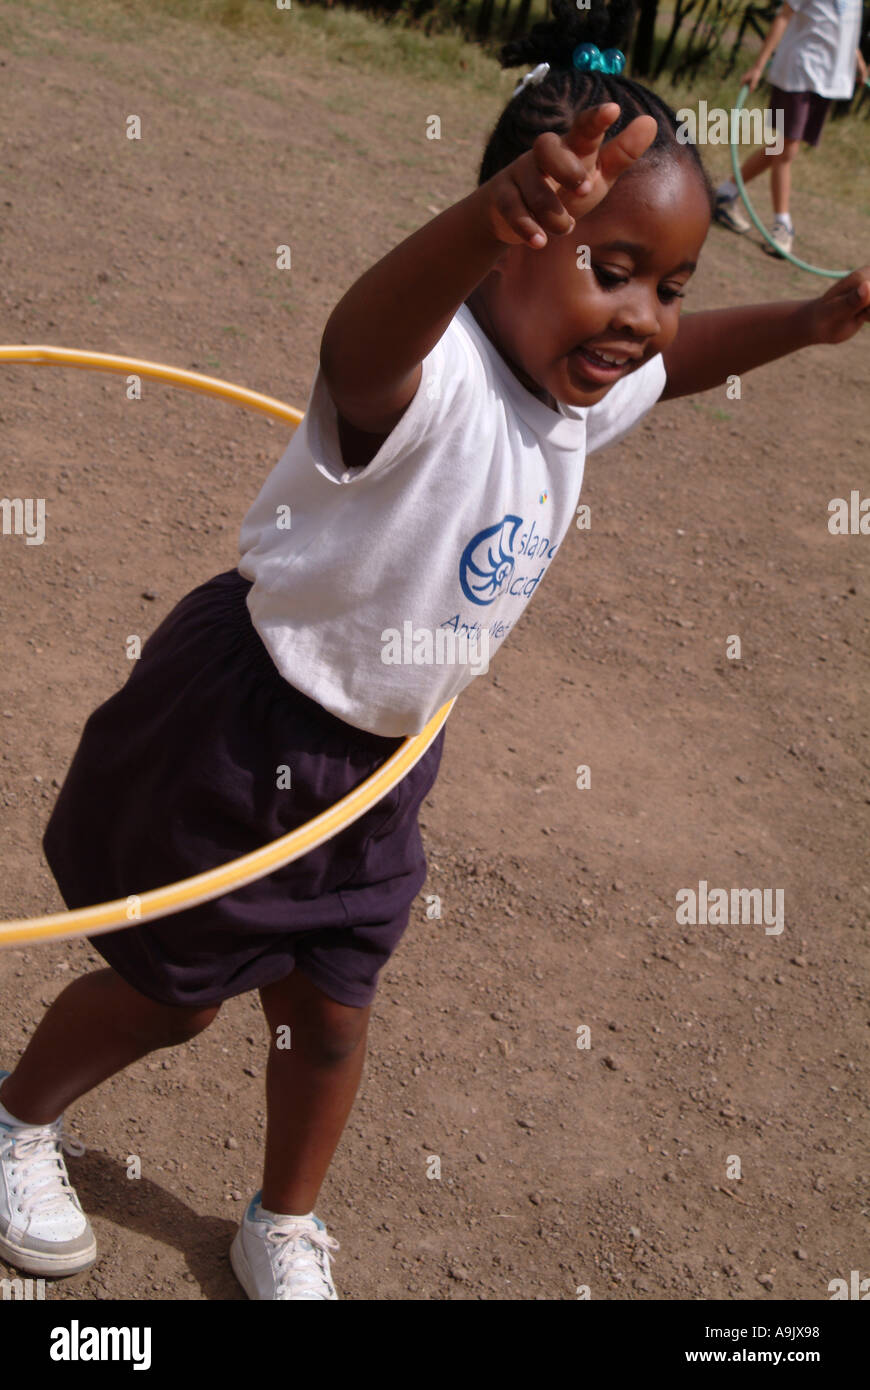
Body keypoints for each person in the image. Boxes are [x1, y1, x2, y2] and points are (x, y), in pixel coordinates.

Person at [1, 0, 868, 1301]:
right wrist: (479, 221)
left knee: (331, 1012)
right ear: (508, 242)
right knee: (173, 994)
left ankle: (279, 1220)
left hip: (384, 768)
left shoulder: (572, 379)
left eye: (670, 285)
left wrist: (802, 325)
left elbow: (667, 373)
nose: (641, 316)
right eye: (612, 265)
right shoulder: (420, 380)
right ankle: (19, 1119)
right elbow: (355, 339)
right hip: (251, 733)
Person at [715, 0, 867, 255]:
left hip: (827, 79)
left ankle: (726, 193)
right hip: (798, 71)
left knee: (782, 148)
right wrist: (758, 66)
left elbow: (842, 23)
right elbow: (784, 16)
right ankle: (782, 225)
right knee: (787, 151)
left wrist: (857, 59)